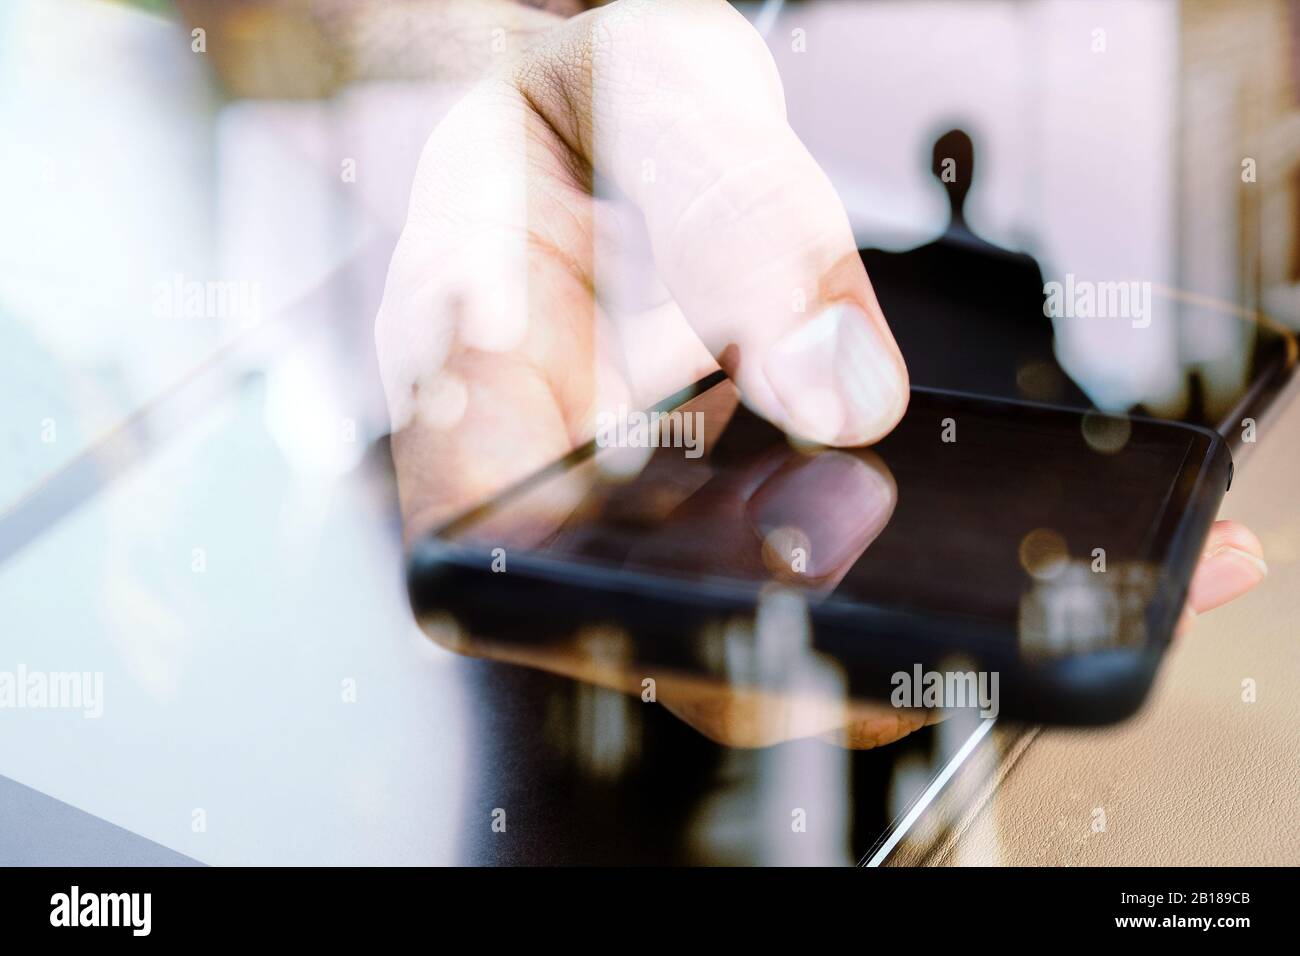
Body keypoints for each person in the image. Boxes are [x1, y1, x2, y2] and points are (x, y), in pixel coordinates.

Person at [352, 0, 1266, 745]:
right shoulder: (920, 264)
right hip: (572, 628)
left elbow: (1044, 376)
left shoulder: (991, 268)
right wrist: (511, 62)